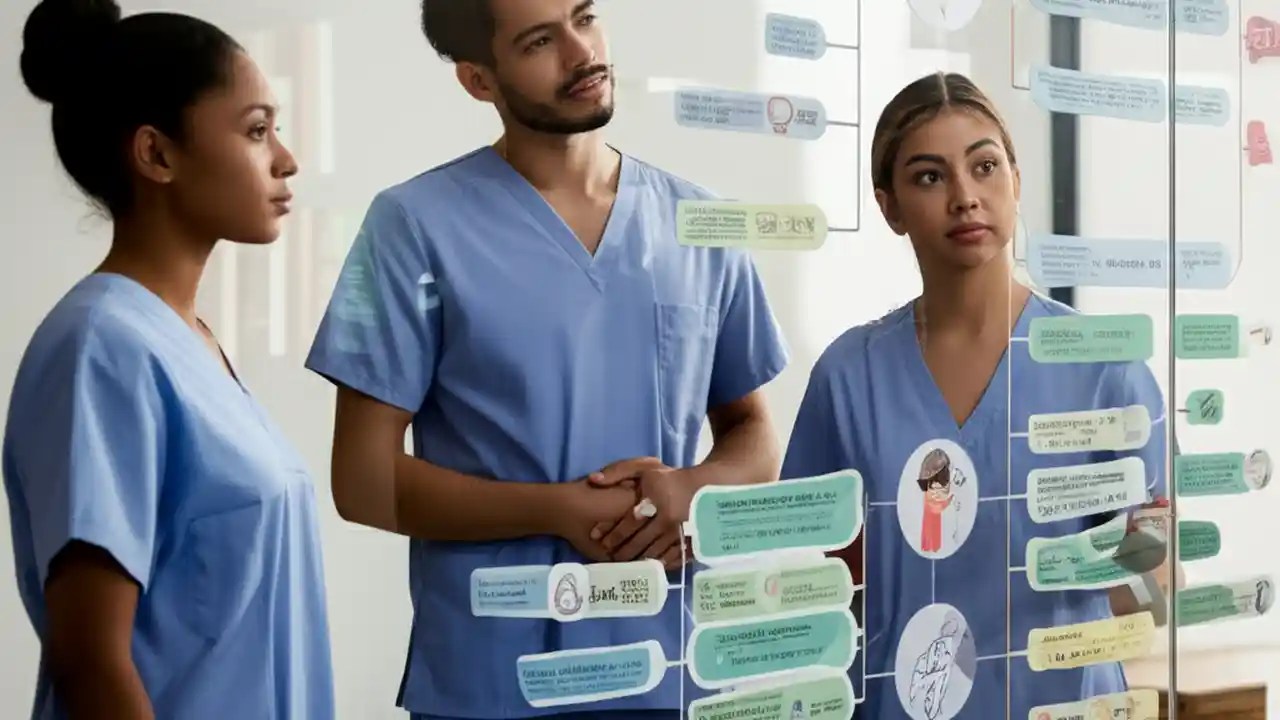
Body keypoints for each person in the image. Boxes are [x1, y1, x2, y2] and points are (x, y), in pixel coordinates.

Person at [304, 0, 788, 718]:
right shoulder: (409, 226)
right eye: (539, 41)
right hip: (492, 679)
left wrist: (694, 490)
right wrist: (556, 510)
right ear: (479, 79)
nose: (581, 51)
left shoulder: (700, 222)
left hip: (666, 666)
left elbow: (753, 433)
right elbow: (362, 480)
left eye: (585, 17)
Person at [781, 72, 1172, 717]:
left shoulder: (1104, 367)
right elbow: (818, 588)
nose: (965, 197)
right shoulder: (848, 377)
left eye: (984, 167)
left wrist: (1123, 567)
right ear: (889, 207)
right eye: (929, 177)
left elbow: (1156, 587)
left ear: (1016, 180)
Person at [4, 2, 334, 718]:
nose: (286, 159)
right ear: (156, 154)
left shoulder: (188, 342)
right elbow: (91, 662)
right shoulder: (102, 347)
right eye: (257, 130)